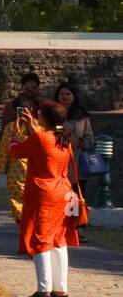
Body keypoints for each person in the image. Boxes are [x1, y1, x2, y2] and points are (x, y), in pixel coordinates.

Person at [7, 101, 81, 297]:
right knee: (59, 239)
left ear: (45, 119)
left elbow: (16, 151)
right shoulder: (64, 138)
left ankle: (43, 289)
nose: (37, 116)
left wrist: (13, 138)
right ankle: (61, 288)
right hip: (63, 192)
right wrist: (32, 128)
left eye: (39, 114)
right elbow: (44, 142)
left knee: (40, 239)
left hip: (43, 194)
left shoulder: (40, 138)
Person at [0, 73, 42, 225]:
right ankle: (28, 224)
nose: (30, 90)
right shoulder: (12, 122)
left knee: (28, 199)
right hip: (20, 167)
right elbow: (4, 145)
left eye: (33, 88)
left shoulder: (42, 111)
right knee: (19, 197)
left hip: (34, 167)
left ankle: (29, 223)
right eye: (27, 87)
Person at [55, 82, 98, 241]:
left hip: (77, 163)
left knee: (76, 197)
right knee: (60, 197)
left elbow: (90, 139)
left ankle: (77, 228)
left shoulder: (82, 117)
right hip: (58, 161)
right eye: (62, 94)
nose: (64, 97)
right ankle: (61, 227)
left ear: (73, 97)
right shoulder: (53, 114)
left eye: (68, 94)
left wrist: (79, 143)